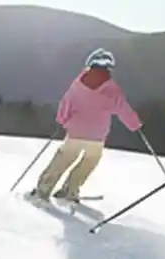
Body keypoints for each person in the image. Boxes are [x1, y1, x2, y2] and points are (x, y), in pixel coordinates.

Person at [33, 48, 143, 202]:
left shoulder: (78, 84)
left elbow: (67, 102)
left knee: (63, 158)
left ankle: (43, 190)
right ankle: (70, 190)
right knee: (89, 162)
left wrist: (62, 120)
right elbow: (123, 108)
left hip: (76, 131)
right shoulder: (112, 89)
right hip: (97, 135)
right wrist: (135, 124)